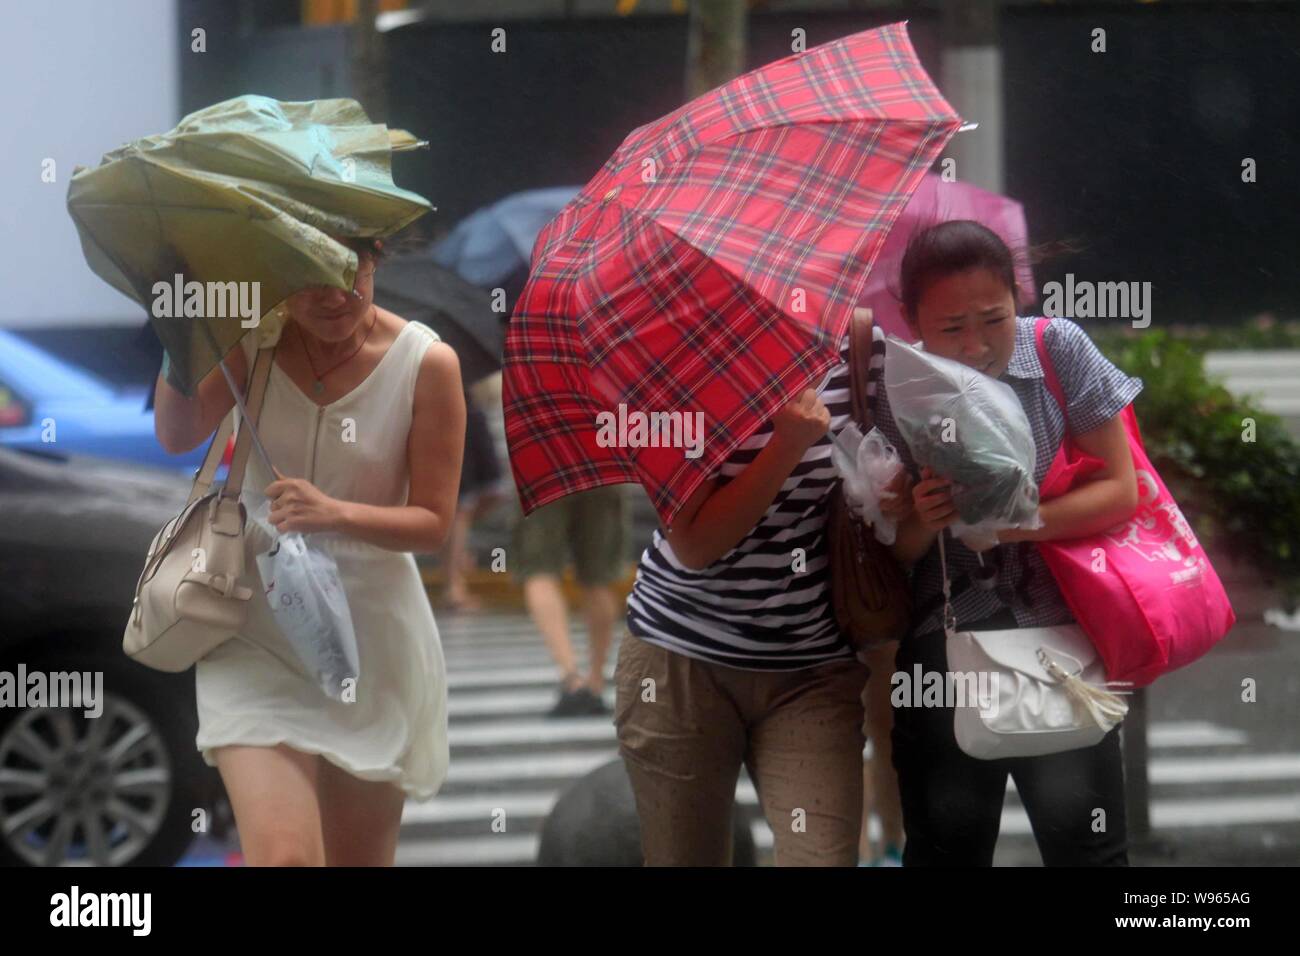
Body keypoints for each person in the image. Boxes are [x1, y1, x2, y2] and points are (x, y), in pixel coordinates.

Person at [154, 236, 467, 866]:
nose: (333, 294)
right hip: (251, 620)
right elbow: (177, 432)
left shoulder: (426, 363)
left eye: (349, 271)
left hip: (366, 639)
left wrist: (337, 513)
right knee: (285, 858)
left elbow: (434, 522)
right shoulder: (251, 343)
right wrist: (187, 326)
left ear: (376, 259)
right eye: (307, 275)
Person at [876, 219, 1141, 866]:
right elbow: (894, 553)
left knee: (1090, 852)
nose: (975, 346)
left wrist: (1014, 520)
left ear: (1019, 297)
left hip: (1061, 644)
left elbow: (1120, 491)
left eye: (992, 319)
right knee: (947, 852)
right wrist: (924, 518)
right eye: (951, 327)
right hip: (945, 657)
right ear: (911, 319)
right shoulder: (893, 387)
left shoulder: (1059, 350)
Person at [615, 344, 911, 866]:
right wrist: (786, 445)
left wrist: (895, 496)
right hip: (681, 661)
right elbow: (696, 546)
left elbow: (899, 488)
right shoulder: (675, 366)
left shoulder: (863, 352)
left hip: (811, 668)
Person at [514, 486, 630, 717]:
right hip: (602, 467)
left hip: (543, 469)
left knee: (539, 572)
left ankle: (571, 678)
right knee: (598, 579)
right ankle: (595, 682)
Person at [441, 387, 507, 611]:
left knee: (489, 492)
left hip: (473, 411)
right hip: (450, 410)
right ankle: (453, 584)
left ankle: (454, 548)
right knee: (461, 503)